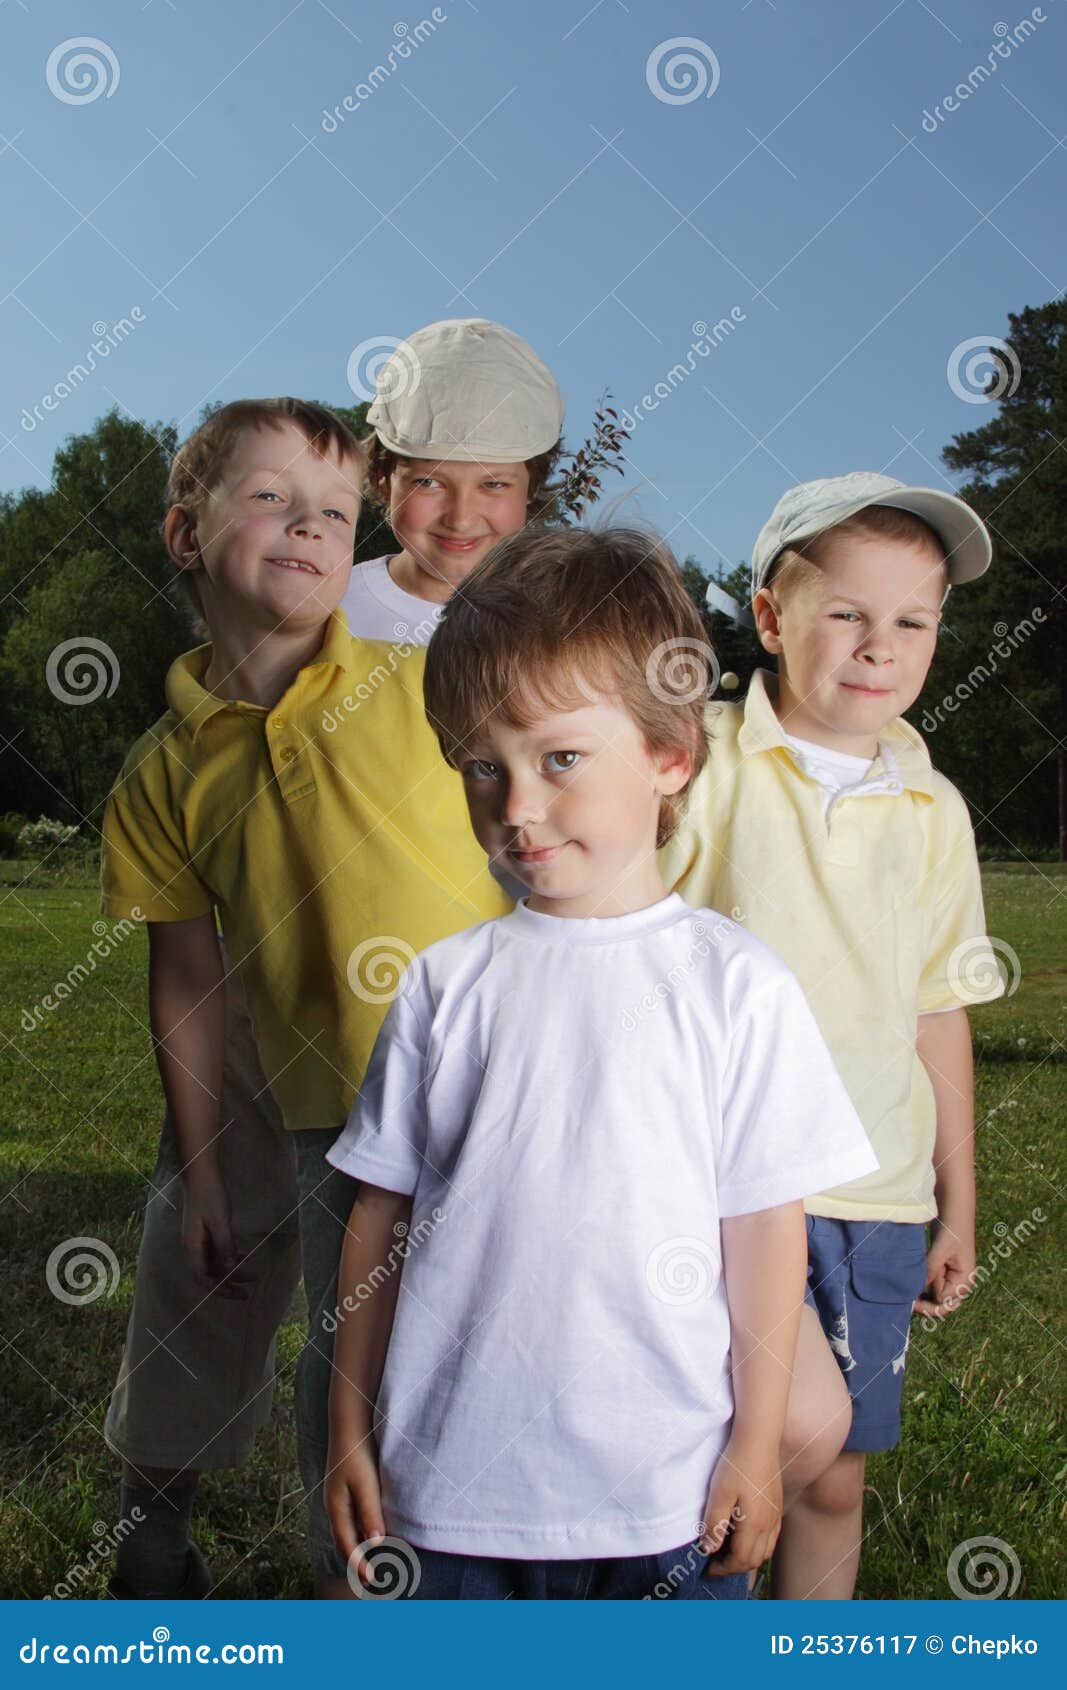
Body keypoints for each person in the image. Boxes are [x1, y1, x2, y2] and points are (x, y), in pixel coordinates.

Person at [324, 526, 878, 1601]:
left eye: (558, 758)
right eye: (482, 766)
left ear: (668, 754)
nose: (515, 807)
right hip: (446, 1492)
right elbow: (375, 1218)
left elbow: (765, 1230)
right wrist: (349, 1425)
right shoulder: (443, 985)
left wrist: (753, 1446)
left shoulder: (737, 986)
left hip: (667, 1497)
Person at [103, 322, 567, 1600]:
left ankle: (362, 1564)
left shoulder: (457, 660)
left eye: (496, 485)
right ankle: (154, 1518)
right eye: (421, 479)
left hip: (416, 1049)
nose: (456, 512)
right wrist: (197, 1154)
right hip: (263, 1027)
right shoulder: (224, 706)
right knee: (200, 1256)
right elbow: (184, 967)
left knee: (371, 1331)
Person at [660, 472, 1005, 1598]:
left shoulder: (929, 805)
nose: (878, 645)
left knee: (831, 1475)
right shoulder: (694, 762)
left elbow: (934, 1008)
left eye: (911, 620)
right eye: (846, 612)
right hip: (711, 1183)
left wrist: (955, 1196)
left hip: (872, 1194)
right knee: (717, 1463)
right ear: (768, 617)